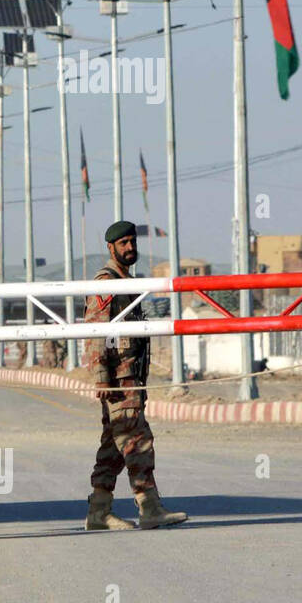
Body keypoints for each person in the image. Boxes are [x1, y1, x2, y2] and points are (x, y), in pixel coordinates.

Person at [82, 221, 188, 530]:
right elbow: (95, 332)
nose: (130, 248)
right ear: (110, 247)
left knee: (113, 448)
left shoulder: (127, 282)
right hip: (119, 379)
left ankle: (98, 512)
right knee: (138, 441)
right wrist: (101, 376)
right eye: (123, 243)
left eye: (132, 242)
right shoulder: (107, 282)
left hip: (132, 380)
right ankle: (150, 507)